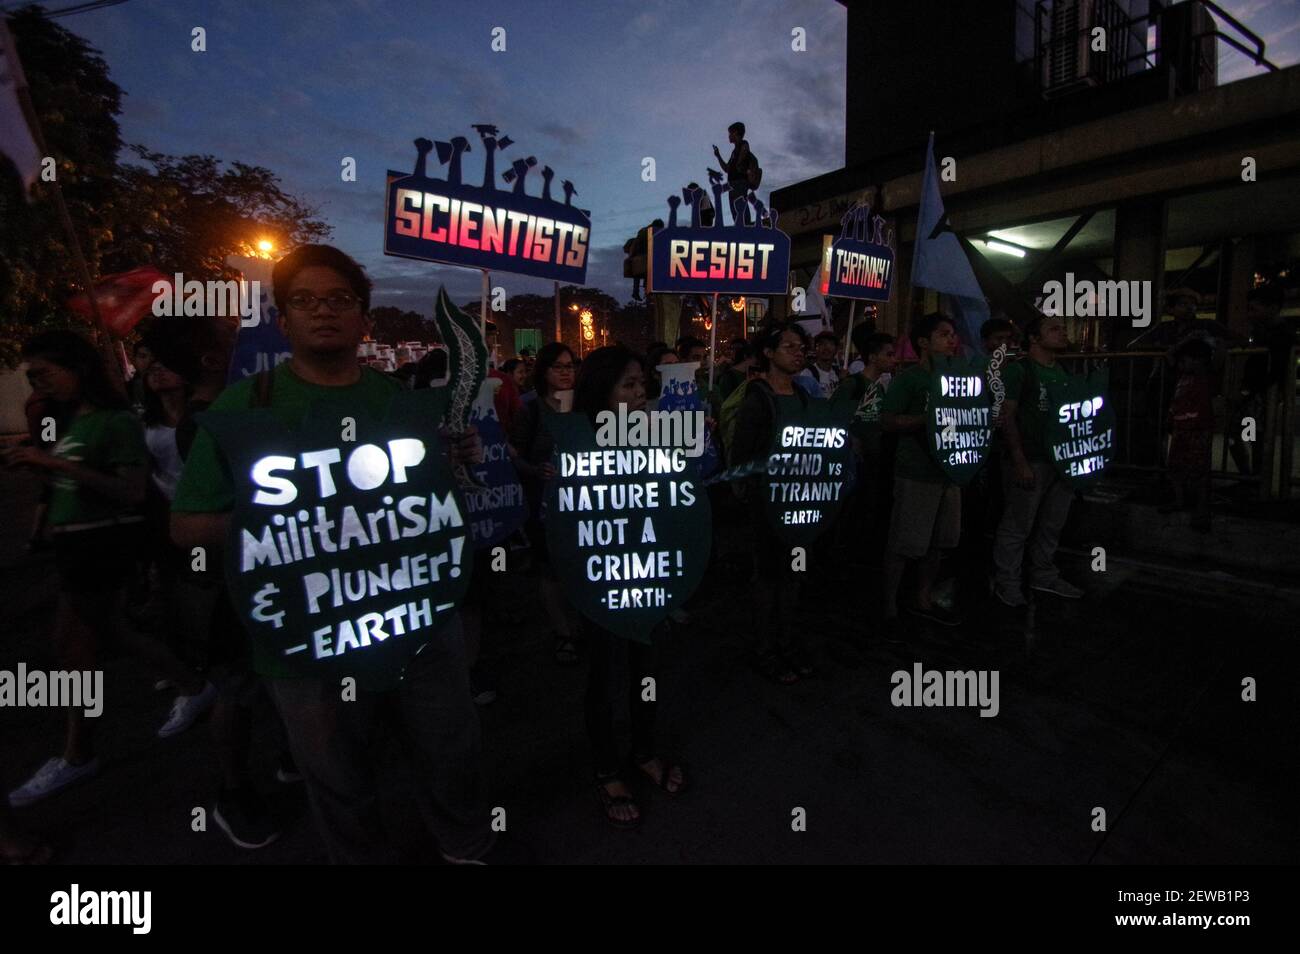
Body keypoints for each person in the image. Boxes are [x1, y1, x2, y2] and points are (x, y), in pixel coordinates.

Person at [170, 244, 496, 864]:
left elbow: (431, 500)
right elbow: (185, 526)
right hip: (303, 639)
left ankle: (466, 847)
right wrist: (287, 514)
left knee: (450, 748)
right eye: (306, 300)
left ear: (363, 319)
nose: (324, 311)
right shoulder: (244, 409)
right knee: (337, 777)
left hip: (416, 617)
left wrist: (462, 462)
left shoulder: (400, 402)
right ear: (284, 318)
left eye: (341, 300)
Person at [6, 331, 216, 808]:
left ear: (77, 370)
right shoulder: (69, 422)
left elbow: (130, 490)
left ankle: (83, 749)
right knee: (91, 640)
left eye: (45, 373)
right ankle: (182, 688)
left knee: (87, 639)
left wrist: (50, 463)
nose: (38, 384)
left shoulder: (115, 421)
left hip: (100, 543)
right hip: (72, 542)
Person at [572, 346, 688, 828]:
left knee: (646, 666)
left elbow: (678, 504)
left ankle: (644, 751)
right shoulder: (575, 442)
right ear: (601, 394)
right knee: (601, 675)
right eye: (627, 386)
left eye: (642, 384)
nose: (640, 396)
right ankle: (606, 770)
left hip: (649, 576)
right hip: (598, 583)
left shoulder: (659, 436)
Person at [729, 322, 814, 683]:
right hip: (768, 505)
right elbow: (744, 456)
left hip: (803, 503)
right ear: (768, 353)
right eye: (790, 347)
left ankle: (786, 642)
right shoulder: (758, 397)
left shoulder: (804, 395)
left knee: (793, 575)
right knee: (767, 577)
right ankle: (766, 649)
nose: (799, 353)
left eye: (801, 347)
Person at [992, 314, 1085, 607]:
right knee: (1018, 524)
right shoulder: (1019, 371)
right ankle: (1006, 581)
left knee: (1051, 524)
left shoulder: (1063, 372)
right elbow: (1007, 417)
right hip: (1031, 459)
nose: (1062, 333)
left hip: (1059, 461)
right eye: (1054, 329)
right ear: (1034, 338)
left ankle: (1042, 574)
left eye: (1062, 328)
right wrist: (1019, 460)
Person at [880, 314, 963, 637]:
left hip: (950, 473)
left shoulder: (961, 380)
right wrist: (926, 419)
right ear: (924, 343)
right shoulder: (910, 380)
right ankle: (889, 604)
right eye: (944, 334)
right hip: (917, 472)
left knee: (939, 543)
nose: (952, 340)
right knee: (904, 542)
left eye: (953, 334)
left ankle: (922, 597)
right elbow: (888, 421)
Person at [508, 341, 581, 665]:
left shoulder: (583, 406)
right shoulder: (531, 409)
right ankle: (562, 633)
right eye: (559, 367)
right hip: (544, 504)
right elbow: (513, 455)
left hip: (580, 502)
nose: (566, 373)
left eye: (570, 366)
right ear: (544, 372)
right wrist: (537, 470)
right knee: (551, 569)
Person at [1164, 337, 1215, 532]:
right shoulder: (1184, 377)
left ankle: (1200, 510)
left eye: (1186, 360)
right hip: (1182, 428)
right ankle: (1180, 500)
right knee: (1177, 466)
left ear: (1198, 360)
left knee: (1198, 470)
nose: (1182, 364)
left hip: (1197, 429)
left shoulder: (1204, 378)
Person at [712, 121, 755, 222]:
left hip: (739, 184)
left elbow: (739, 162)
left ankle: (746, 230)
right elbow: (727, 169)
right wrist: (718, 156)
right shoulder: (734, 152)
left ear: (736, 133)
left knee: (741, 210)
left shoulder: (744, 144)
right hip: (733, 185)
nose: (729, 136)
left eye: (730, 133)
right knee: (735, 212)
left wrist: (739, 166)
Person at [797, 330, 843, 397]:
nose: (826, 348)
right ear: (815, 348)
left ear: (836, 349)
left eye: (831, 344)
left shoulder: (838, 373)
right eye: (822, 344)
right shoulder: (807, 374)